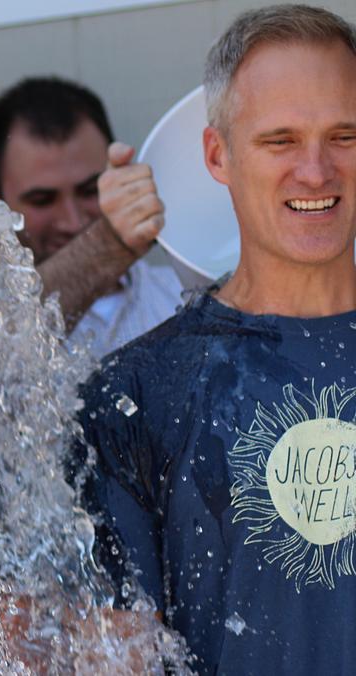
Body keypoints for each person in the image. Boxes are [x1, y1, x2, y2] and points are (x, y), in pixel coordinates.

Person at [79, 5, 356, 672]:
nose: (315, 172)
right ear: (217, 155)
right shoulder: (133, 396)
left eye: (344, 136)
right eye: (280, 140)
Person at [0, 77, 187, 357]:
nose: (73, 221)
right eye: (43, 200)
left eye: (91, 190)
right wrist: (110, 245)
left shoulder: (185, 293)